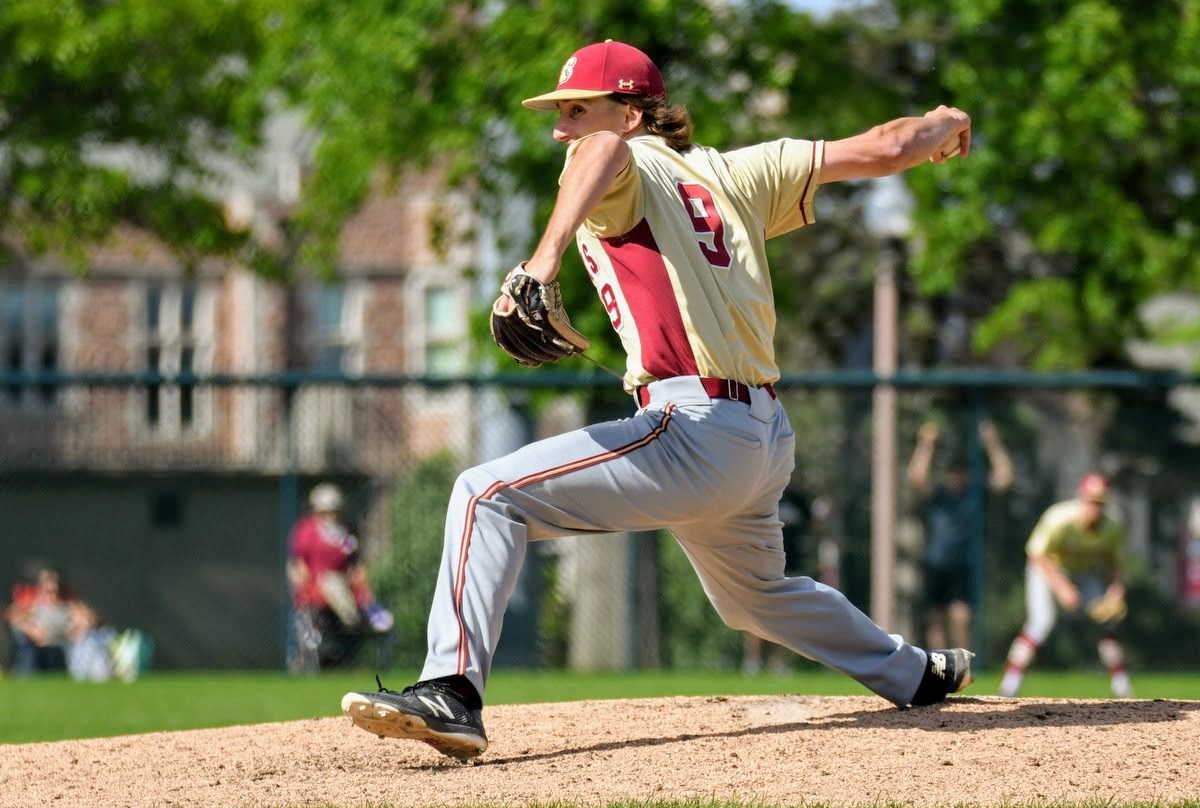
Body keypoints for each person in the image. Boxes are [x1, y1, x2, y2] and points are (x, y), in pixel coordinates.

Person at [342, 39, 976, 761]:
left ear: (635, 112)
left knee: (486, 495)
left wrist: (539, 262)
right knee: (751, 597)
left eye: (578, 110)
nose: (562, 129)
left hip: (695, 425)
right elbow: (888, 145)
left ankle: (451, 690)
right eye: (560, 113)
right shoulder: (737, 171)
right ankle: (912, 672)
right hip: (763, 433)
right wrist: (944, 123)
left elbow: (602, 153)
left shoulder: (622, 164)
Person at [998, 472, 1133, 698]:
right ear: (1081, 498)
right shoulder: (1059, 518)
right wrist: (1061, 586)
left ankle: (1121, 685)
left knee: (1106, 620)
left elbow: (1114, 562)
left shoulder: (1111, 527)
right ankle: (1010, 685)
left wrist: (1117, 589)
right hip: (1046, 570)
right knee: (1041, 622)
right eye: (1091, 501)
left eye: (1100, 503)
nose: (1095, 508)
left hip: (1083, 573)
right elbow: (1036, 554)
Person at [906, 418, 1013, 649]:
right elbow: (917, 478)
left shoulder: (975, 494)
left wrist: (992, 443)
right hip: (937, 561)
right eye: (953, 472)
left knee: (961, 616)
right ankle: (939, 666)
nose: (957, 477)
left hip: (964, 562)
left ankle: (961, 665)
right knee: (935, 618)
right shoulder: (940, 495)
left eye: (961, 472)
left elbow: (1004, 478)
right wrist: (926, 445)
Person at [287, 482, 393, 671]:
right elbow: (299, 566)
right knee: (330, 582)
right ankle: (356, 614)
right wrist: (303, 588)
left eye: (334, 511)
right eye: (326, 511)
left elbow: (354, 566)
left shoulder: (346, 533)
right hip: (317, 586)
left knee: (345, 586)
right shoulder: (307, 531)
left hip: (344, 585)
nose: (331, 516)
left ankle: (368, 611)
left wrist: (362, 586)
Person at [742, 485, 809, 675]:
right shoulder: (762, 492)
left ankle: (779, 663)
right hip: (763, 560)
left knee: (786, 616)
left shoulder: (797, 499)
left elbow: (811, 525)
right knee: (755, 612)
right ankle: (752, 661)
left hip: (791, 562)